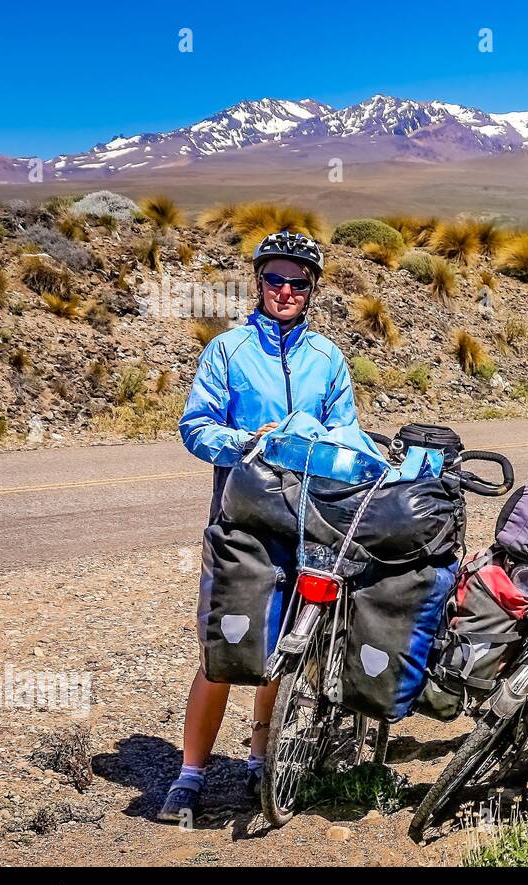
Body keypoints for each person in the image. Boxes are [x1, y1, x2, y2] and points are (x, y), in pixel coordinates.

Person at [158, 231, 357, 822]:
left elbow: (345, 436)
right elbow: (195, 427)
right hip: (240, 522)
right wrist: (248, 441)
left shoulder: (328, 359)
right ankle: (189, 775)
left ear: (312, 289)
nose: (286, 291)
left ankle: (259, 757)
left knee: (285, 647)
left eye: (299, 282)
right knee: (224, 648)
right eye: (276, 279)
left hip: (306, 526)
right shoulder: (227, 350)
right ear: (259, 281)